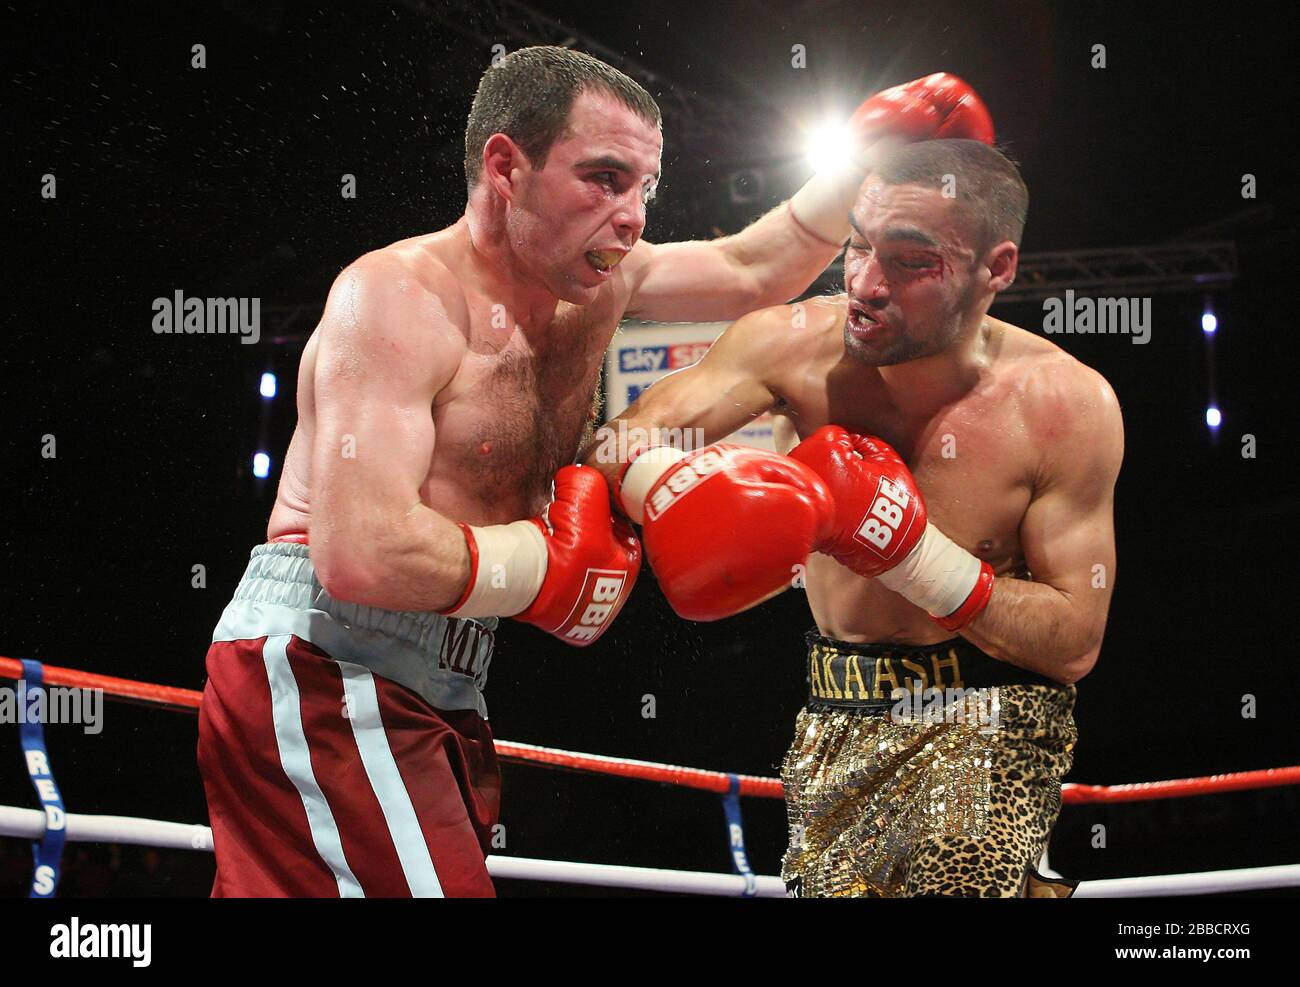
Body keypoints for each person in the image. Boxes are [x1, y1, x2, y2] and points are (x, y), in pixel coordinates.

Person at [197, 46, 990, 896]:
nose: (632, 217)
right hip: (325, 658)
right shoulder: (397, 299)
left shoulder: (600, 289)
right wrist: (548, 564)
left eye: (644, 189)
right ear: (506, 166)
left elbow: (755, 268)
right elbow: (361, 554)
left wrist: (868, 159)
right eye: (603, 179)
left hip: (444, 674)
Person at [582, 137, 1122, 897]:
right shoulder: (790, 346)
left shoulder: (1066, 405)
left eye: (910, 262)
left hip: (989, 709)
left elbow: (1073, 641)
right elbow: (614, 447)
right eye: (858, 245)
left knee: (954, 875)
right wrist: (683, 484)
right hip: (835, 707)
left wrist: (913, 557)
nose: (866, 284)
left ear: (996, 269)